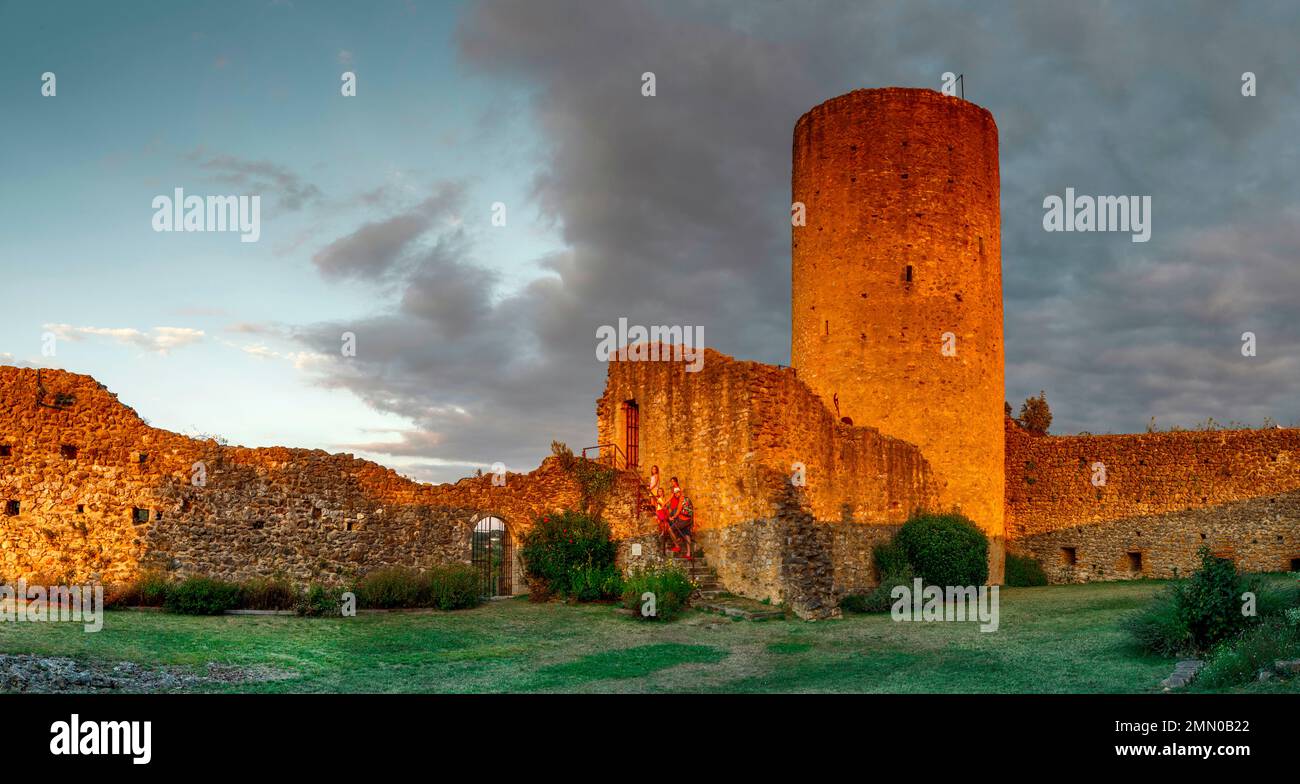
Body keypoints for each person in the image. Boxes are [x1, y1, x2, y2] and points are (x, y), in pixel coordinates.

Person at [667, 482, 694, 559]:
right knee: (686, 534)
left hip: (683, 520)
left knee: (670, 529)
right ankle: (688, 554)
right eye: (675, 494)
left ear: (679, 492)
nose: (676, 495)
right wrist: (692, 522)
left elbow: (678, 510)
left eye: (676, 493)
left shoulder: (681, 499)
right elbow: (692, 510)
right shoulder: (687, 499)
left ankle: (677, 545)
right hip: (688, 520)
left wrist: (673, 517)